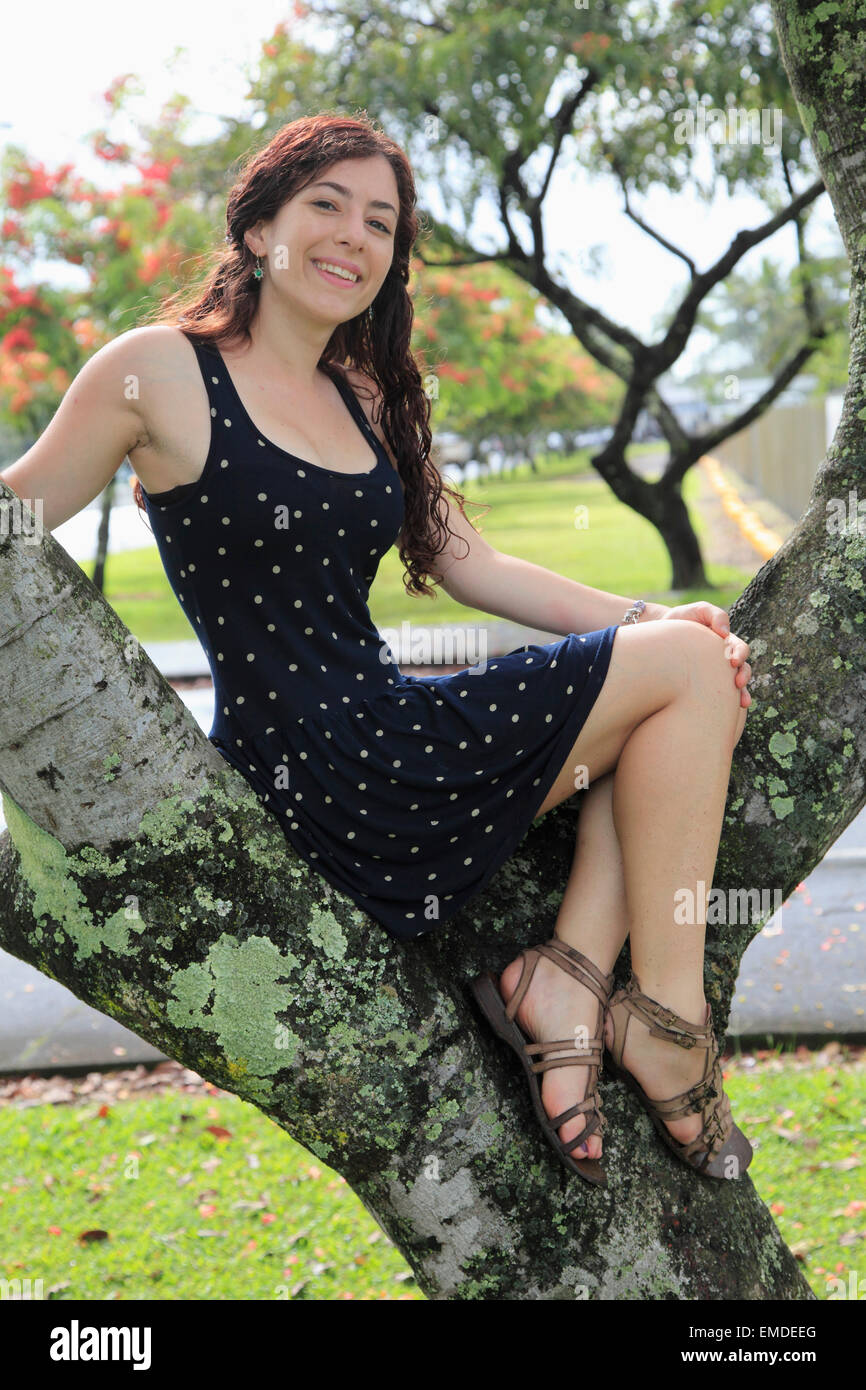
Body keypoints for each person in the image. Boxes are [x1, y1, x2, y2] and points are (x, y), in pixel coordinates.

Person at [1, 112, 754, 1188]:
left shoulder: (363, 398)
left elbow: (474, 566)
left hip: (384, 729)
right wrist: (665, 641)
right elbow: (17, 514)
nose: (352, 235)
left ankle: (572, 980)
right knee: (685, 673)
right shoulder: (158, 370)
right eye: (325, 205)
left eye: (381, 221)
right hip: (305, 769)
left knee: (687, 681)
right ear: (259, 226)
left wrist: (651, 619)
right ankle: (662, 1013)